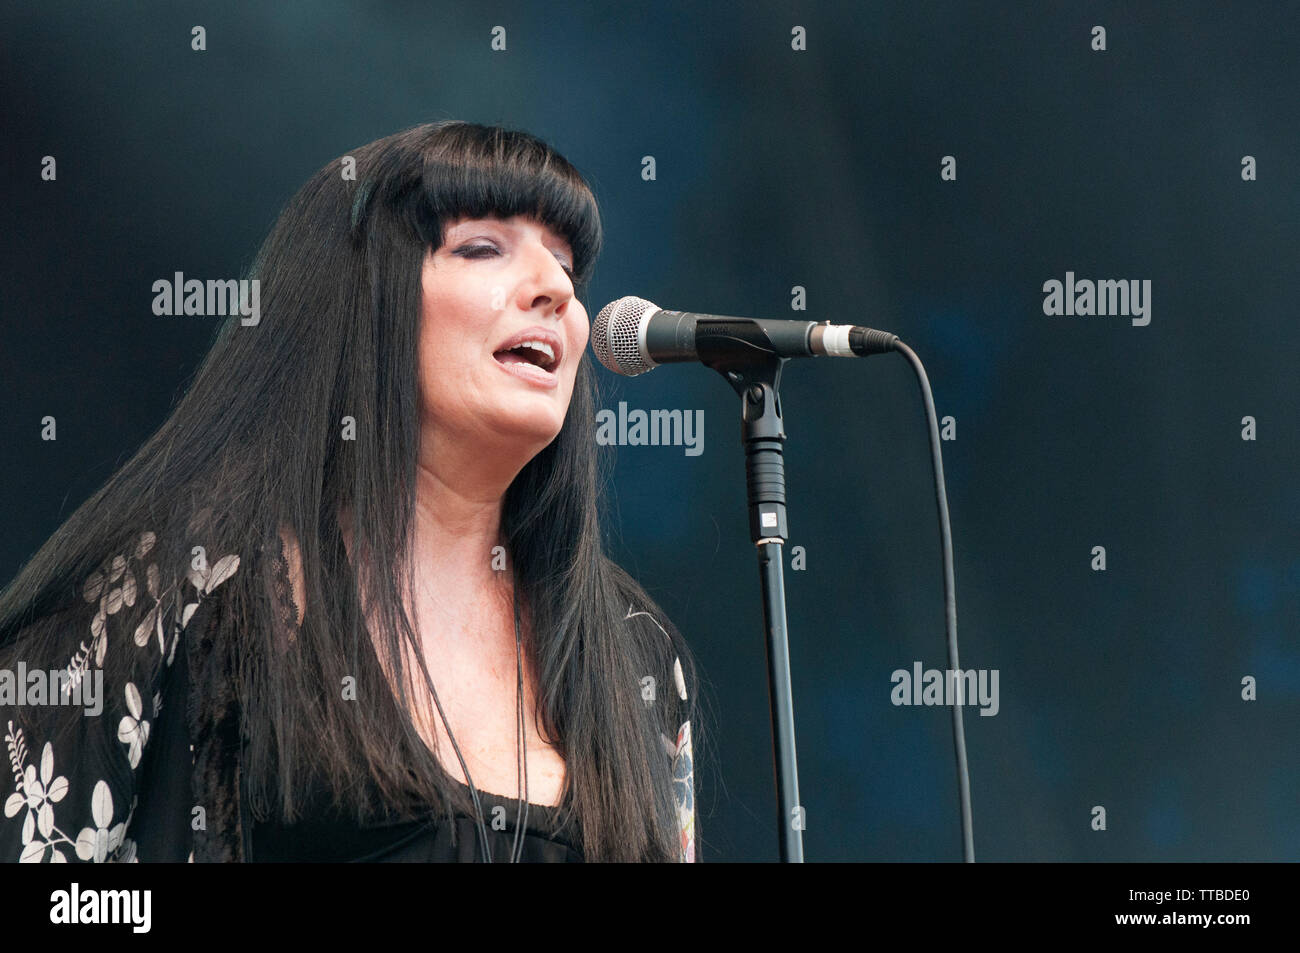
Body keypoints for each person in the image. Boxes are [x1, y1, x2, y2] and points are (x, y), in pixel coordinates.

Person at [0, 121, 700, 862]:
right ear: (361, 302)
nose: (555, 288)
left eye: (566, 266)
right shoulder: (188, 586)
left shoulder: (636, 652)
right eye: (482, 248)